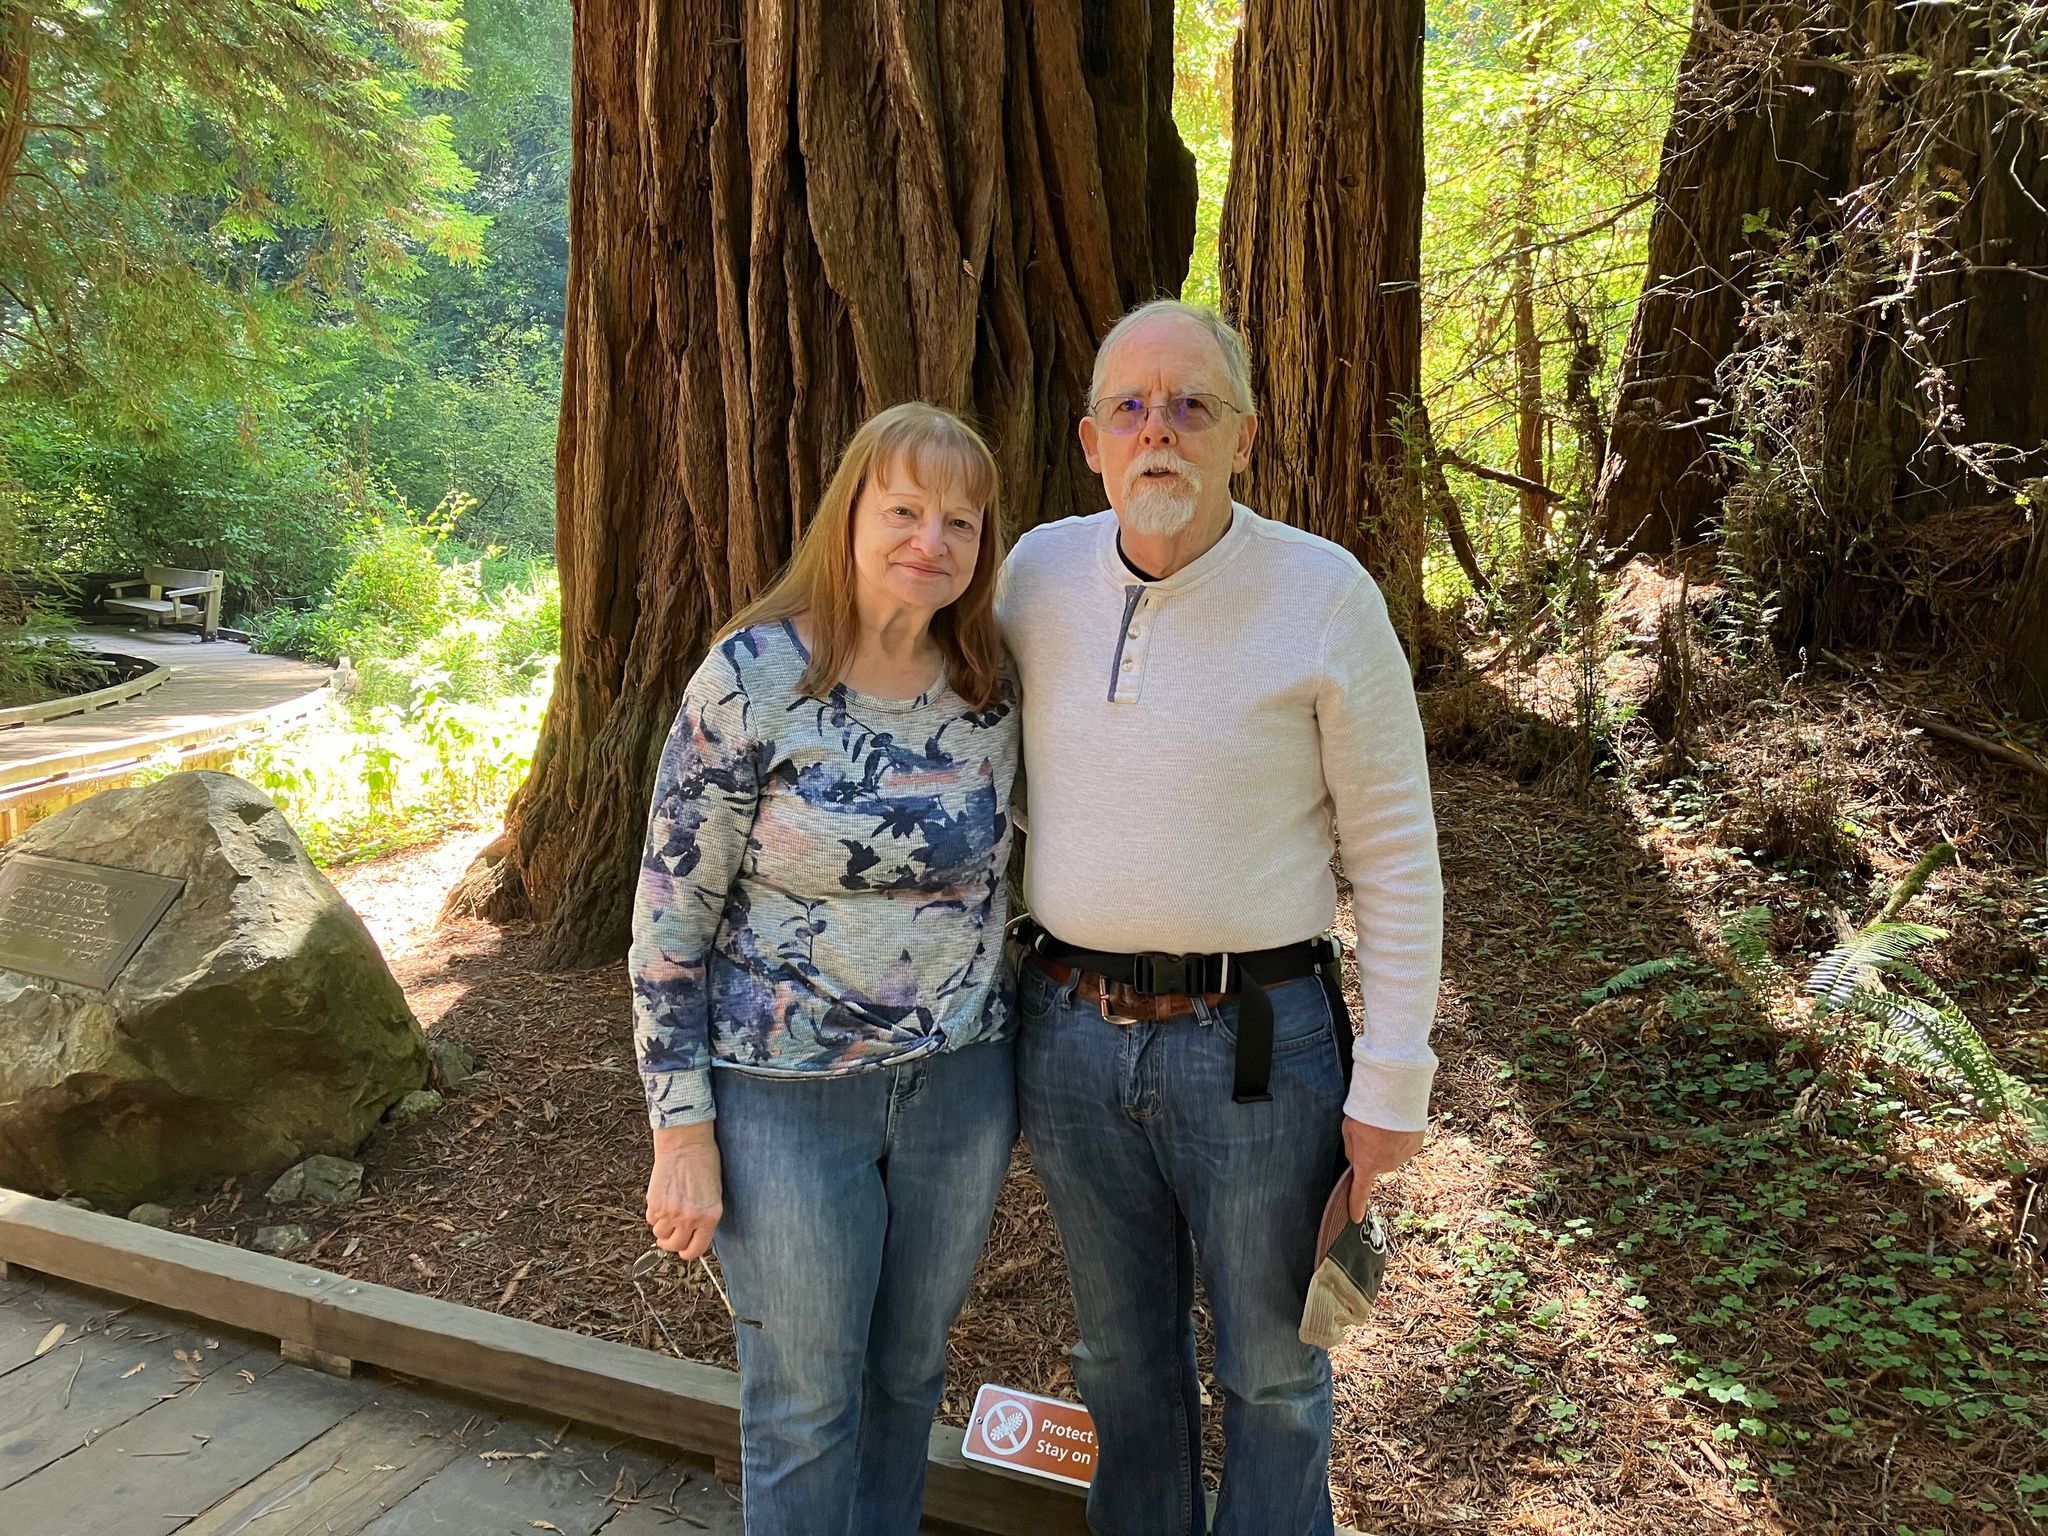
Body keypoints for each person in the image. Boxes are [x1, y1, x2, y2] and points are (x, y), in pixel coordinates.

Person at [997, 299, 1443, 1536]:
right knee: (1117, 1365)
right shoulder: (1031, 577)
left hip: (1255, 1042)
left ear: (1242, 434)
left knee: (1275, 1373)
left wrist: (1391, 1082)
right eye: (1131, 406)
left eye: (1193, 404)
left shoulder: (1322, 594)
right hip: (1068, 1037)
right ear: (1091, 440)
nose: (1160, 430)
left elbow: (1395, 853)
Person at [630, 402, 1020, 1534]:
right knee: (804, 1403)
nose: (931, 541)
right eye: (904, 510)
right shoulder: (752, 677)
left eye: (960, 521)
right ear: (849, 514)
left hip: (958, 1089)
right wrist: (680, 1131)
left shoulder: (988, 686)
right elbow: (669, 922)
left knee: (907, 1376)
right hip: (783, 1100)